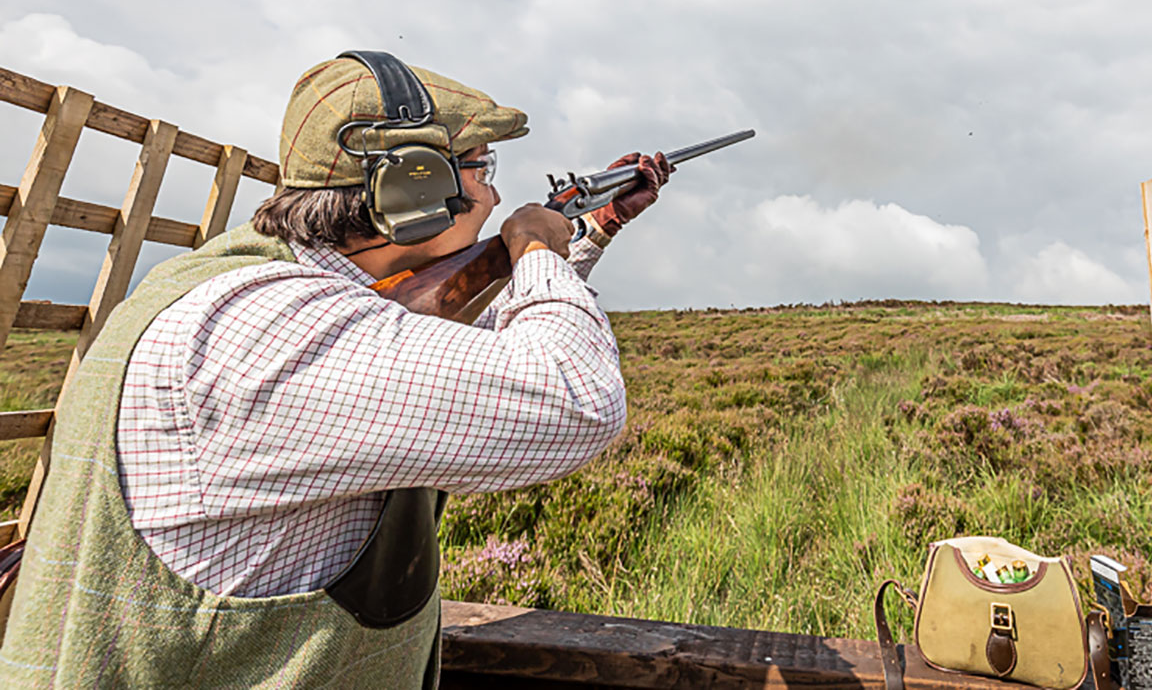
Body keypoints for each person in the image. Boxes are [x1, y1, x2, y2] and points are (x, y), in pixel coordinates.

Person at [0, 52, 670, 688]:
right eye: (480, 166)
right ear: (415, 186)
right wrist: (535, 249)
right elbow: (576, 399)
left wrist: (593, 227)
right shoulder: (266, 331)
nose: (494, 194)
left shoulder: (249, 288)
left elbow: (472, 345)